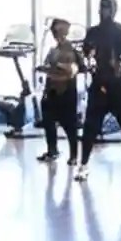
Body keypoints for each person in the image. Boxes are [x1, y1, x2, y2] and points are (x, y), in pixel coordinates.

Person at [76, 0, 121, 183]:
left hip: (118, 87)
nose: (104, 12)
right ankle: (83, 165)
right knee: (90, 127)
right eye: (102, 8)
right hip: (98, 86)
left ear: (114, 10)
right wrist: (89, 60)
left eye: (108, 8)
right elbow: (86, 55)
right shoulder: (92, 33)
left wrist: (117, 67)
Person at [37, 18, 83, 165]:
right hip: (51, 90)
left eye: (56, 30)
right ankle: (52, 150)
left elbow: (73, 69)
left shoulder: (72, 50)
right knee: (48, 121)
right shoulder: (53, 51)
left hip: (66, 90)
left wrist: (57, 66)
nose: (54, 33)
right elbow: (48, 66)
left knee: (69, 125)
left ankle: (74, 155)